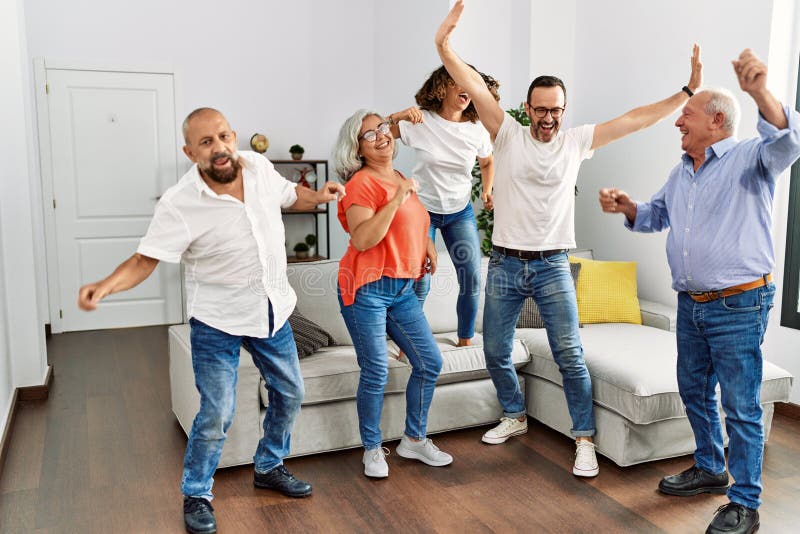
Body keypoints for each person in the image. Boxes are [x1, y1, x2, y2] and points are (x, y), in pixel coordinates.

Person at [434, 0, 701, 477]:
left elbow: (636, 119)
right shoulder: (507, 134)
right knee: (494, 350)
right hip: (506, 263)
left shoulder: (577, 142)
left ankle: (583, 439)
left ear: (563, 109)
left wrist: (685, 92)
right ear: (527, 109)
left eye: (555, 109)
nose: (548, 118)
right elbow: (471, 84)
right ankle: (514, 414)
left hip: (553, 264)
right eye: (540, 109)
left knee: (570, 355)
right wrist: (444, 46)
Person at [77, 107, 345, 534]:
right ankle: (197, 492)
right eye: (206, 142)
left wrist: (320, 196)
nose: (219, 148)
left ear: (233, 136)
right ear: (190, 152)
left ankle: (269, 465)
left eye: (223, 136)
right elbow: (145, 259)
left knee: (291, 392)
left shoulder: (257, 167)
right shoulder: (180, 202)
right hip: (216, 321)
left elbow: (291, 195)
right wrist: (105, 286)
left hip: (272, 310)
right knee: (218, 411)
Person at [598, 49, 800, 534]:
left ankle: (745, 503)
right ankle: (710, 467)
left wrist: (759, 92)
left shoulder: (751, 157)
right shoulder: (682, 171)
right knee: (693, 391)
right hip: (691, 305)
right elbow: (656, 215)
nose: (677, 123)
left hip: (739, 304)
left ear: (716, 121)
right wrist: (629, 208)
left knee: (741, 405)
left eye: (685, 115)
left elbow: (788, 140)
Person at [333, 109, 453, 478]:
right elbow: (363, 239)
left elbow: (417, 220)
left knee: (429, 362)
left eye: (384, 128)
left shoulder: (399, 177)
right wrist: (397, 199)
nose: (382, 135)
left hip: (402, 289)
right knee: (376, 370)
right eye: (370, 134)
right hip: (365, 289)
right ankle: (372, 449)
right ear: (357, 148)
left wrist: (427, 246)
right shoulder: (360, 184)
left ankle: (413, 440)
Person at [386, 65, 499, 349]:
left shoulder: (476, 129)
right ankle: (409, 344)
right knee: (420, 280)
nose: (467, 89)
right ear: (443, 86)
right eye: (460, 81)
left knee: (472, 279)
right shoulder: (421, 121)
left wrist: (487, 190)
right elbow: (376, 136)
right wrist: (398, 116)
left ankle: (465, 340)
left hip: (459, 213)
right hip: (422, 213)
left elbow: (487, 162)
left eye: (471, 84)